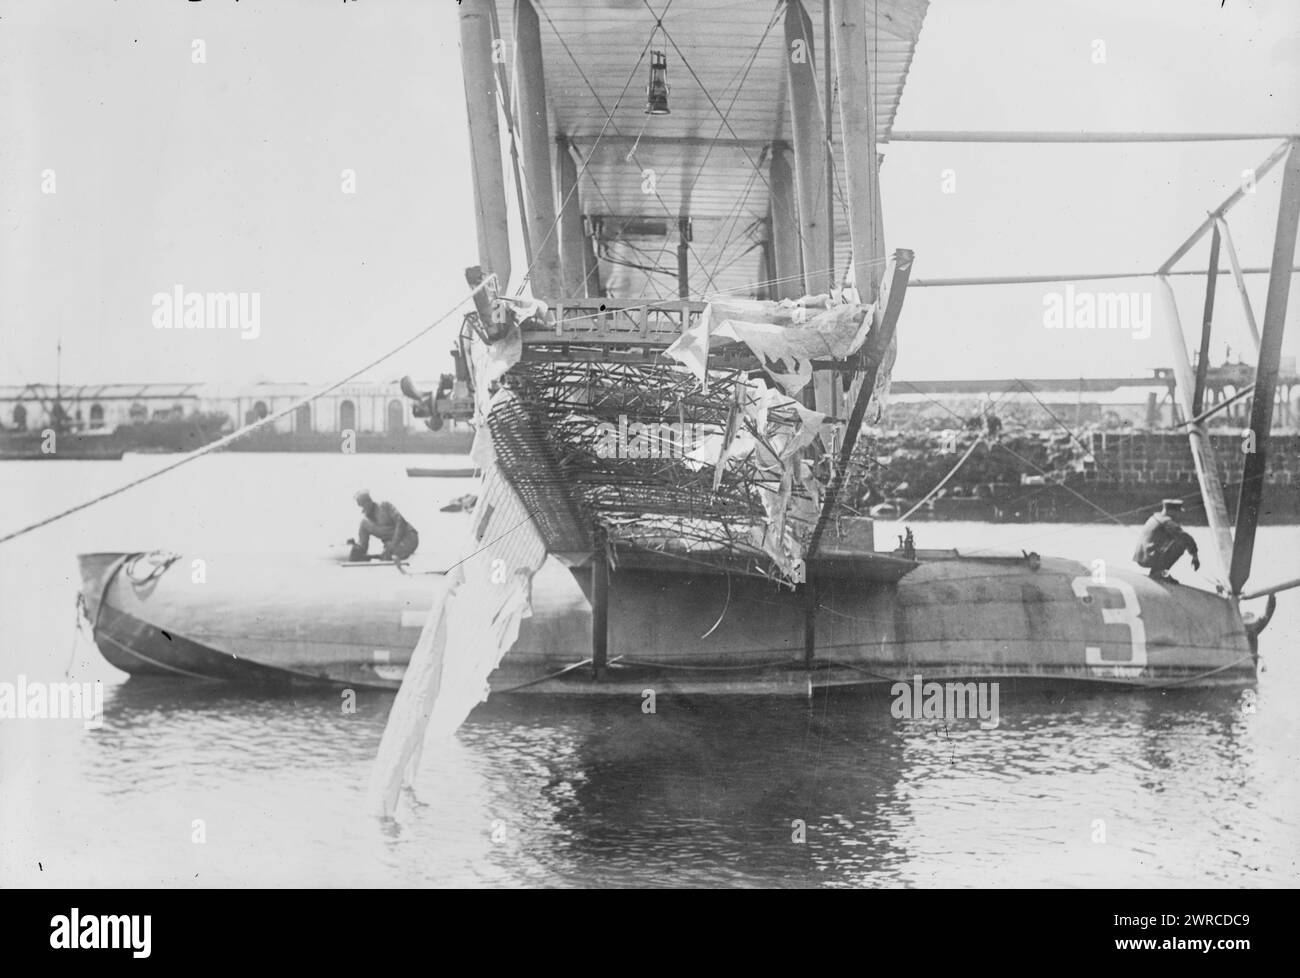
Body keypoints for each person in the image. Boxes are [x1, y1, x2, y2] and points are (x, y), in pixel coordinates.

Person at [1132, 498, 1200, 582]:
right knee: (1181, 543)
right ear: (1171, 511)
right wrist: (1195, 556)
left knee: (1175, 539)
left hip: (1141, 557)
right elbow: (1186, 537)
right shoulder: (1167, 522)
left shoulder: (1155, 517)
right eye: (1178, 512)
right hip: (1149, 557)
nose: (1179, 515)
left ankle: (1156, 572)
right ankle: (1160, 573)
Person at [348, 490, 419, 562]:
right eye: (360, 505)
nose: (363, 507)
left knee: (388, 556)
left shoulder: (385, 506)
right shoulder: (364, 524)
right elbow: (363, 545)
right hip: (391, 547)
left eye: (365, 502)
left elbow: (400, 522)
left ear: (369, 501)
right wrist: (354, 548)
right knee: (384, 557)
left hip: (409, 538)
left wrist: (393, 544)